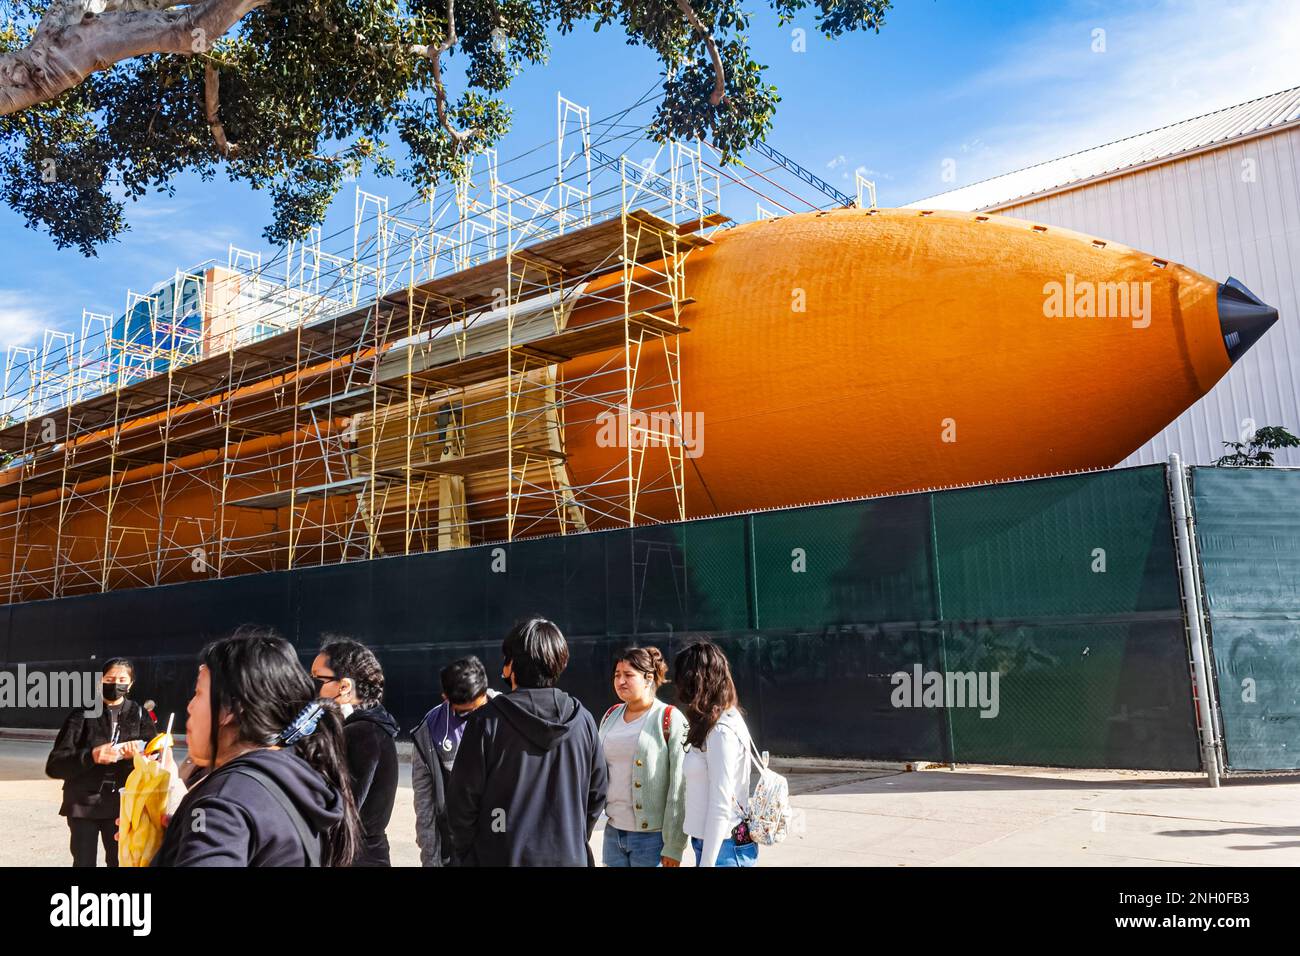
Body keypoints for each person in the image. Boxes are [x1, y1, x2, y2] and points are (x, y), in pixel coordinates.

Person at [151, 629, 361, 866]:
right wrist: (181, 837)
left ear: (231, 710)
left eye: (198, 693)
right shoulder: (294, 779)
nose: (189, 706)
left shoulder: (224, 801)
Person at [447, 617, 608, 866]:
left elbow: (462, 802)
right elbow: (596, 794)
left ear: (511, 665)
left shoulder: (486, 722)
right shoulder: (583, 720)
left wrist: (473, 854)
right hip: (569, 858)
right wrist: (571, 837)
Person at [46, 658, 157, 867]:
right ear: (100, 681)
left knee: (120, 861)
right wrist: (91, 756)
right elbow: (55, 764)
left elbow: (156, 756)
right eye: (110, 678)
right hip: (83, 803)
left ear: (131, 684)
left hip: (123, 805)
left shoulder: (139, 714)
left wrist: (139, 757)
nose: (115, 684)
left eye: (122, 679)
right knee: (84, 862)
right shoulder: (81, 715)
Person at [598, 646, 689, 867]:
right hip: (613, 833)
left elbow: (679, 787)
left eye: (628, 675)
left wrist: (674, 846)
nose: (620, 681)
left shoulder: (669, 718)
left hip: (652, 839)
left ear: (648, 678)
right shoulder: (610, 715)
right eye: (617, 675)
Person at [312, 639, 400, 867]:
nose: (310, 687)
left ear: (344, 687)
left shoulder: (362, 733)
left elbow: (341, 811)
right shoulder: (372, 726)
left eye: (317, 679)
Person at [675, 641, 759, 868]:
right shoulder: (720, 721)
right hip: (715, 844)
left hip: (723, 847)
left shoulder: (721, 730)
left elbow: (721, 803)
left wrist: (707, 862)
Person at [411, 655, 498, 867]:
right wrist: (431, 859)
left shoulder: (510, 713)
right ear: (446, 697)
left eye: (480, 708)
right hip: (458, 849)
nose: (476, 717)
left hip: (502, 843)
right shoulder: (430, 731)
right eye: (467, 712)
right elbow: (425, 804)